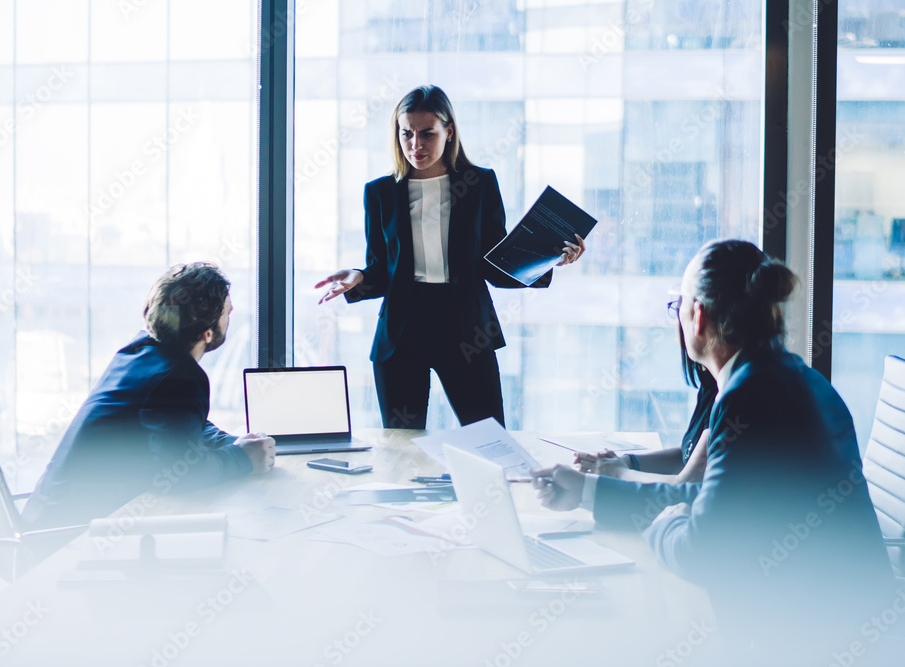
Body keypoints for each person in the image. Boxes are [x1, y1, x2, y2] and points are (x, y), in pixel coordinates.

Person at [531, 240, 893, 663]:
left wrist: (661, 520)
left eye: (678, 306)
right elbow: (710, 503)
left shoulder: (749, 397)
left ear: (697, 316)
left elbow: (703, 550)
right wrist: (588, 492)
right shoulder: (792, 375)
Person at [315, 85, 585, 429]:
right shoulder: (380, 193)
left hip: (465, 329)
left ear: (449, 131)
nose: (416, 145)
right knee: (403, 450)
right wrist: (358, 276)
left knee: (489, 442)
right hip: (402, 332)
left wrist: (552, 260)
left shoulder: (479, 185)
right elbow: (383, 271)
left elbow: (495, 267)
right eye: (406, 134)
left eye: (427, 134)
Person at [22, 263, 276, 531]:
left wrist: (235, 443)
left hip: (44, 519)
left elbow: (184, 427)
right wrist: (242, 459)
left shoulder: (139, 352)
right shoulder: (179, 376)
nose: (230, 317)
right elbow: (178, 475)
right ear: (208, 332)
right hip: (67, 538)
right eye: (227, 313)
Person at [574, 334, 717, 485]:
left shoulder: (728, 395)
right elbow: (685, 454)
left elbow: (688, 482)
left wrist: (619, 472)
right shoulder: (710, 385)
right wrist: (625, 462)